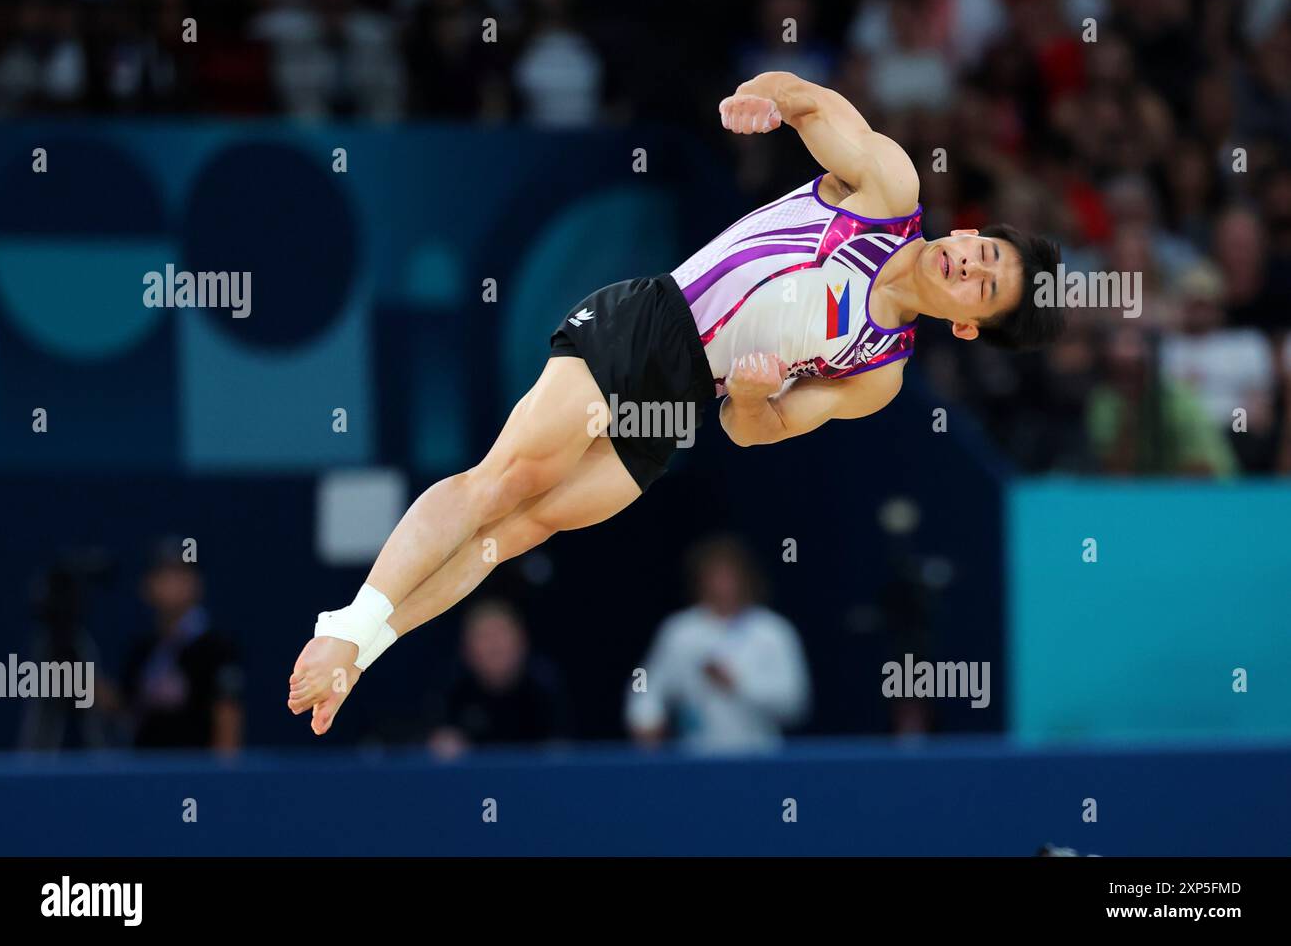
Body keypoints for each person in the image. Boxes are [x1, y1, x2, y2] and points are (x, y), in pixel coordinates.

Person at [288, 70, 1065, 735]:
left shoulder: (879, 373)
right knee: (505, 482)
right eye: (985, 251)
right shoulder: (889, 190)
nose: (970, 264)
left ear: (968, 323)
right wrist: (764, 97)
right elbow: (807, 100)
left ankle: (358, 649)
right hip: (651, 325)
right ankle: (346, 628)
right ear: (970, 231)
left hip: (684, 407)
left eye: (986, 286)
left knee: (517, 533)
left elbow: (750, 430)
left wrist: (760, 397)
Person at [626, 536, 809, 753]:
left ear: (745, 578)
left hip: (759, 756)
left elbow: (795, 703)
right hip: (695, 757)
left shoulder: (773, 631)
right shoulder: (680, 631)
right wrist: (645, 718)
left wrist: (738, 684)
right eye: (714, 576)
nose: (722, 585)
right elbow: (647, 685)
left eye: (728, 576)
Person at [125, 541, 244, 752]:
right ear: (147, 586)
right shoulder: (143, 650)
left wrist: (222, 781)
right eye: (164, 575)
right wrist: (75, 680)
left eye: (181, 574)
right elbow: (124, 706)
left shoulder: (216, 649)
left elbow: (227, 719)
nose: (172, 584)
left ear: (196, 583)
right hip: (144, 774)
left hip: (194, 777)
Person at [426, 599, 571, 758]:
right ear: (466, 649)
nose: (495, 646)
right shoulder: (451, 690)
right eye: (484, 636)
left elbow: (563, 751)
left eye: (502, 633)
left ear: (522, 641)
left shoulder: (546, 685)